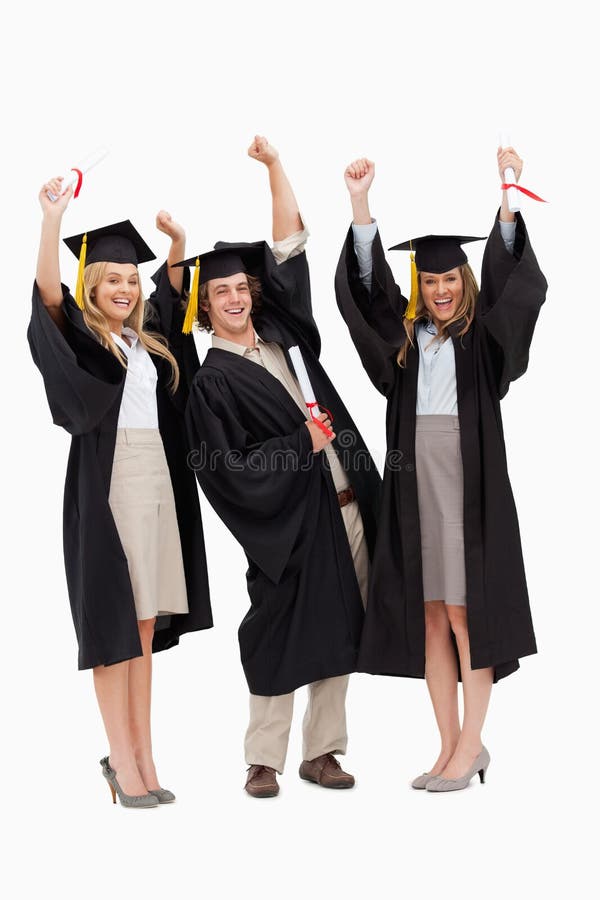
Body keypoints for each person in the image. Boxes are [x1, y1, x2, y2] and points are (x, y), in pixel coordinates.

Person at [335, 147, 547, 792]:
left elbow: (518, 290)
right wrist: (361, 205)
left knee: (465, 613)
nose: (441, 289)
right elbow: (366, 296)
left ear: (465, 281)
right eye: (430, 282)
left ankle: (473, 742)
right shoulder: (406, 344)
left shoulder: (482, 342)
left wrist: (507, 194)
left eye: (450, 279)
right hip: (413, 484)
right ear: (420, 288)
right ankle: (449, 748)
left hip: (467, 484)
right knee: (429, 611)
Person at [182, 136, 382, 798]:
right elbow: (227, 468)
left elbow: (290, 246)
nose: (236, 299)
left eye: (243, 287)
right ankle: (262, 759)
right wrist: (303, 440)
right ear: (205, 307)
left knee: (344, 625)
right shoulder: (212, 383)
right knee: (276, 630)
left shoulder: (284, 337)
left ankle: (323, 752)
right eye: (222, 292)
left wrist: (275, 168)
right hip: (288, 526)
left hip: (346, 505)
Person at [28, 178, 213, 807]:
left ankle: (141, 755)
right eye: (113, 280)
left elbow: (172, 294)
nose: (126, 289)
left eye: (130, 281)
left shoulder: (145, 340)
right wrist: (52, 219)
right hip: (111, 482)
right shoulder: (86, 338)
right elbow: (47, 301)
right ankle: (124, 762)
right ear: (92, 288)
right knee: (113, 626)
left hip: (157, 476)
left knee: (141, 627)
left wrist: (179, 245)